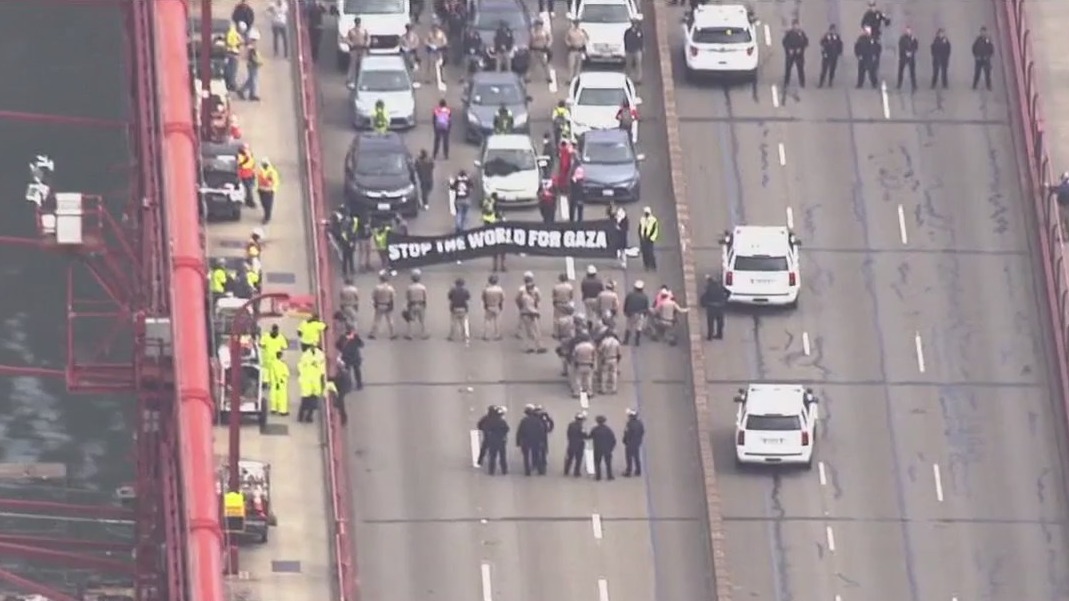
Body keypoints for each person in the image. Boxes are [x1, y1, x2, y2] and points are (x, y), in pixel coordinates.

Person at [481, 405, 510, 475]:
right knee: (502, 456)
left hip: (492, 441)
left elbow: (485, 428)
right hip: (501, 441)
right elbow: (507, 429)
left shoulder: (489, 421)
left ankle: (491, 471)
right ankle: (504, 470)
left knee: (492, 457)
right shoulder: (502, 421)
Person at [334, 325, 365, 389]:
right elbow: (361, 344)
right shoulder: (355, 337)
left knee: (348, 371)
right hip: (355, 356)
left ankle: (349, 385)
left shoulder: (343, 337)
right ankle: (359, 384)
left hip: (346, 357)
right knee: (357, 371)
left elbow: (337, 345)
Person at [699, 274, 728, 340]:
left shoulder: (709, 287)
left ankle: (710, 336)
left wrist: (703, 304)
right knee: (720, 322)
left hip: (711, 307)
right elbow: (728, 292)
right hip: (720, 306)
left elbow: (704, 296)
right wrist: (724, 299)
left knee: (710, 322)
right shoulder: (720, 286)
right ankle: (719, 335)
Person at [370, 272, 398, 339]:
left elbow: (373, 296)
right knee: (390, 320)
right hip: (387, 305)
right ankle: (392, 334)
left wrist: (375, 303)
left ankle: (373, 334)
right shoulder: (390, 288)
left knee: (377, 320)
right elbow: (393, 297)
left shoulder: (377, 288)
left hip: (379, 305)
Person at [517, 405, 543, 476]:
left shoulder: (524, 421)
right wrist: (542, 441)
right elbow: (541, 431)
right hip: (536, 440)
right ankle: (540, 470)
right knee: (537, 455)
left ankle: (527, 471)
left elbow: (520, 432)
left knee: (526, 456)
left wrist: (518, 442)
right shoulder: (537, 421)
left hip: (526, 441)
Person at [782, 20, 808, 89]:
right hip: (790, 54)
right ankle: (786, 82)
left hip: (799, 54)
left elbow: (806, 42)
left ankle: (802, 82)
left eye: (797, 25)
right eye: (794, 25)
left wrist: (801, 49)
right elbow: (784, 42)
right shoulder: (789, 34)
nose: (795, 27)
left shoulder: (801, 33)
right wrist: (789, 50)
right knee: (788, 69)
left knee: (800, 69)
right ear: (792, 26)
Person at [622, 280, 649, 346]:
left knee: (628, 326)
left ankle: (626, 341)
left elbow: (626, 303)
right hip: (640, 314)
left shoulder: (630, 295)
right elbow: (646, 307)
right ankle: (637, 341)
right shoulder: (645, 297)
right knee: (638, 327)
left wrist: (625, 311)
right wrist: (644, 314)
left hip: (631, 313)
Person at [589, 415, 616, 481]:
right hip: (607, 449)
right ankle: (609, 475)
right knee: (608, 463)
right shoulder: (608, 430)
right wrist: (611, 448)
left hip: (597, 449)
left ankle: (598, 476)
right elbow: (613, 440)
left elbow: (589, 438)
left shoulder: (594, 430)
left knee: (597, 463)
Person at [404, 270, 429, 339]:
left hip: (412, 304)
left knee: (411, 320)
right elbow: (425, 297)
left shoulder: (410, 287)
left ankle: (410, 334)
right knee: (422, 321)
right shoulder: (423, 287)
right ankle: (424, 334)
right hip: (421, 304)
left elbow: (407, 297)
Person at [346, 19, 370, 85]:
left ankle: (363, 78)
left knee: (363, 64)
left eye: (358, 22)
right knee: (352, 64)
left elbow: (368, 38)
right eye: (357, 22)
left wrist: (366, 44)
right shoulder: (351, 31)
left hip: (362, 49)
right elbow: (347, 39)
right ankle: (351, 79)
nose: (358, 23)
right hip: (354, 49)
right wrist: (351, 44)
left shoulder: (363, 30)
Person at [563, 412, 588, 477]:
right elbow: (584, 435)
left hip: (571, 444)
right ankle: (576, 472)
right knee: (578, 459)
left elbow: (568, 434)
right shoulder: (581, 427)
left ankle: (566, 470)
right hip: (579, 445)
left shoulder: (571, 425)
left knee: (569, 458)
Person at [448, 277, 472, 342]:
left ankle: (451, 336)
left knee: (453, 323)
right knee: (464, 323)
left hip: (454, 308)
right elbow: (468, 298)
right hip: (463, 308)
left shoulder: (452, 290)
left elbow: (449, 297)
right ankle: (465, 336)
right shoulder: (465, 290)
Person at [622, 408, 644, 477]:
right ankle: (638, 471)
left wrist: (624, 440)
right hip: (637, 442)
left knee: (629, 457)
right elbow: (642, 432)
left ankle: (628, 471)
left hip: (630, 443)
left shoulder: (629, 424)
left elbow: (627, 433)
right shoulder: (640, 423)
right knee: (636, 457)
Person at [256, 158, 279, 224]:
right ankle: (266, 215)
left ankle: (267, 217)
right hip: (261, 190)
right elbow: (258, 180)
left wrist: (273, 190)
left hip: (269, 191)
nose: (264, 165)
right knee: (263, 203)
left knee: (268, 205)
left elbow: (276, 182)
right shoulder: (260, 171)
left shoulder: (272, 172)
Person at [482, 274, 505, 340]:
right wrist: (500, 304)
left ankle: (486, 335)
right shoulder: (499, 289)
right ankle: (497, 335)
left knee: (487, 321)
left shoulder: (486, 289)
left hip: (489, 306)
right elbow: (502, 298)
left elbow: (483, 297)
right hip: (497, 306)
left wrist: (485, 304)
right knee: (497, 321)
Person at [530, 19, 553, 83]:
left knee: (545, 64)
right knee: (532, 64)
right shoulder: (533, 31)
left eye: (539, 25)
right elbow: (530, 39)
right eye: (537, 25)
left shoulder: (545, 31)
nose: (538, 26)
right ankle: (528, 77)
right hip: (534, 50)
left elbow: (550, 39)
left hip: (542, 50)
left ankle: (548, 77)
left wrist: (547, 45)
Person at [637, 206, 659, 271]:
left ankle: (653, 266)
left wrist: (652, 238)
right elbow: (640, 228)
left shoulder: (653, 220)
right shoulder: (642, 219)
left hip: (650, 239)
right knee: (644, 253)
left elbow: (655, 230)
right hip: (643, 239)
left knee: (650, 252)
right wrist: (641, 237)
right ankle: (646, 266)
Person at [268, 350, 290, 416]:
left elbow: (271, 373)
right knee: (282, 397)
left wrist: (272, 381)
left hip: (274, 382)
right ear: (281, 356)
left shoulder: (272, 363)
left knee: (273, 396)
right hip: (281, 382)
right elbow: (287, 374)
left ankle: (273, 409)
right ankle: (282, 411)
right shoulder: (283, 364)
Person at [624, 18, 644, 84]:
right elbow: (625, 40)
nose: (635, 25)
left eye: (635, 24)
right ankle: (627, 79)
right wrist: (626, 48)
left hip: (637, 50)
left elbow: (641, 40)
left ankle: (638, 79)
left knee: (638, 65)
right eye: (633, 24)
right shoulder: (628, 32)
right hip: (629, 50)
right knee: (628, 65)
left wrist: (641, 48)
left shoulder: (639, 32)